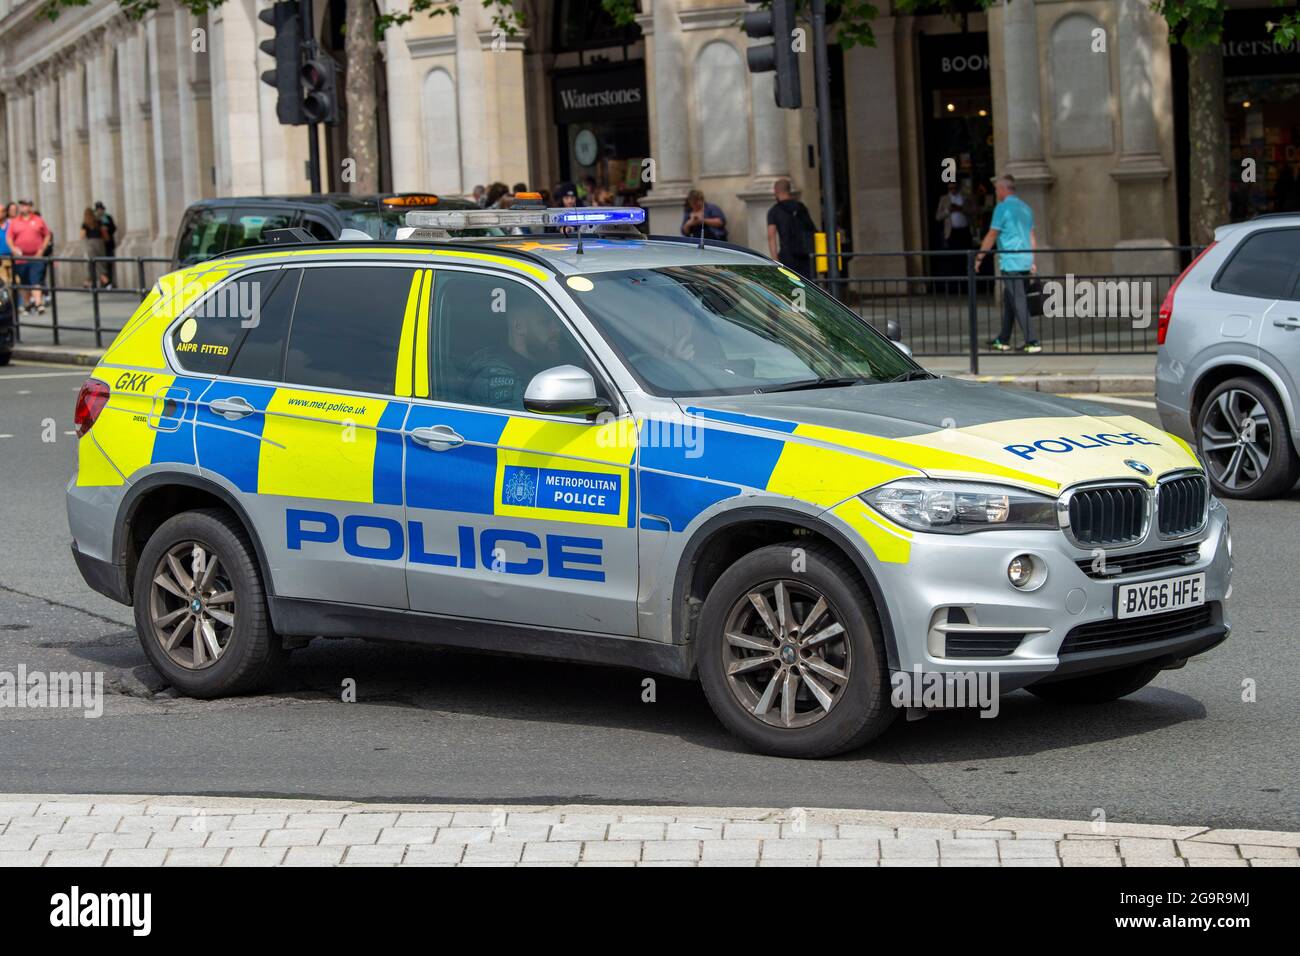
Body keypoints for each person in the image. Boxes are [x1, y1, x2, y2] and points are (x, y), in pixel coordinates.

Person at [975, 175, 1040, 353]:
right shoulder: (1026, 208)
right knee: (1011, 299)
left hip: (1011, 262)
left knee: (1018, 301)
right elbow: (1032, 237)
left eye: (996, 189)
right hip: (1025, 260)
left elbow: (992, 235)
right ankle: (1003, 339)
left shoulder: (1002, 208)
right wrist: (1033, 260)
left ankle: (1032, 341)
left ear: (1003, 190)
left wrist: (980, 256)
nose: (996, 193)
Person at [463, 296, 564, 409]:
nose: (557, 329)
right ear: (518, 327)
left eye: (556, 322)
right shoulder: (498, 378)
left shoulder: (538, 362)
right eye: (545, 322)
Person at [8, 199, 52, 314]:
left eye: (26, 205)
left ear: (30, 207)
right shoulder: (15, 222)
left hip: (36, 256)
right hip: (21, 258)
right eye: (22, 205)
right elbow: (9, 238)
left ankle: (38, 303)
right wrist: (13, 249)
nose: (23, 207)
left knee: (35, 279)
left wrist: (42, 249)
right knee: (24, 281)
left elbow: (47, 235)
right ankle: (27, 304)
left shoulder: (38, 220)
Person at [766, 177, 816, 278]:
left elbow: (771, 236)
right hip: (804, 255)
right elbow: (811, 228)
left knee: (790, 289)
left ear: (775, 191)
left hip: (787, 256)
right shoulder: (801, 207)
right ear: (789, 190)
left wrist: (775, 260)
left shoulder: (774, 211)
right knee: (806, 286)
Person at [80, 207, 110, 288]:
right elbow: (105, 234)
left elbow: (82, 236)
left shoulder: (85, 224)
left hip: (91, 244)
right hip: (100, 243)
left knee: (95, 263)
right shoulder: (98, 222)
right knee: (100, 262)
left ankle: (105, 281)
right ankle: (89, 282)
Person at [95, 201, 116, 287]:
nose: (100, 211)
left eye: (101, 209)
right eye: (98, 209)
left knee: (109, 263)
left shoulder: (108, 217)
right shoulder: (95, 219)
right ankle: (104, 283)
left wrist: (107, 229)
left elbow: (113, 228)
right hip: (100, 245)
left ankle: (110, 281)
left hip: (108, 244)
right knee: (101, 264)